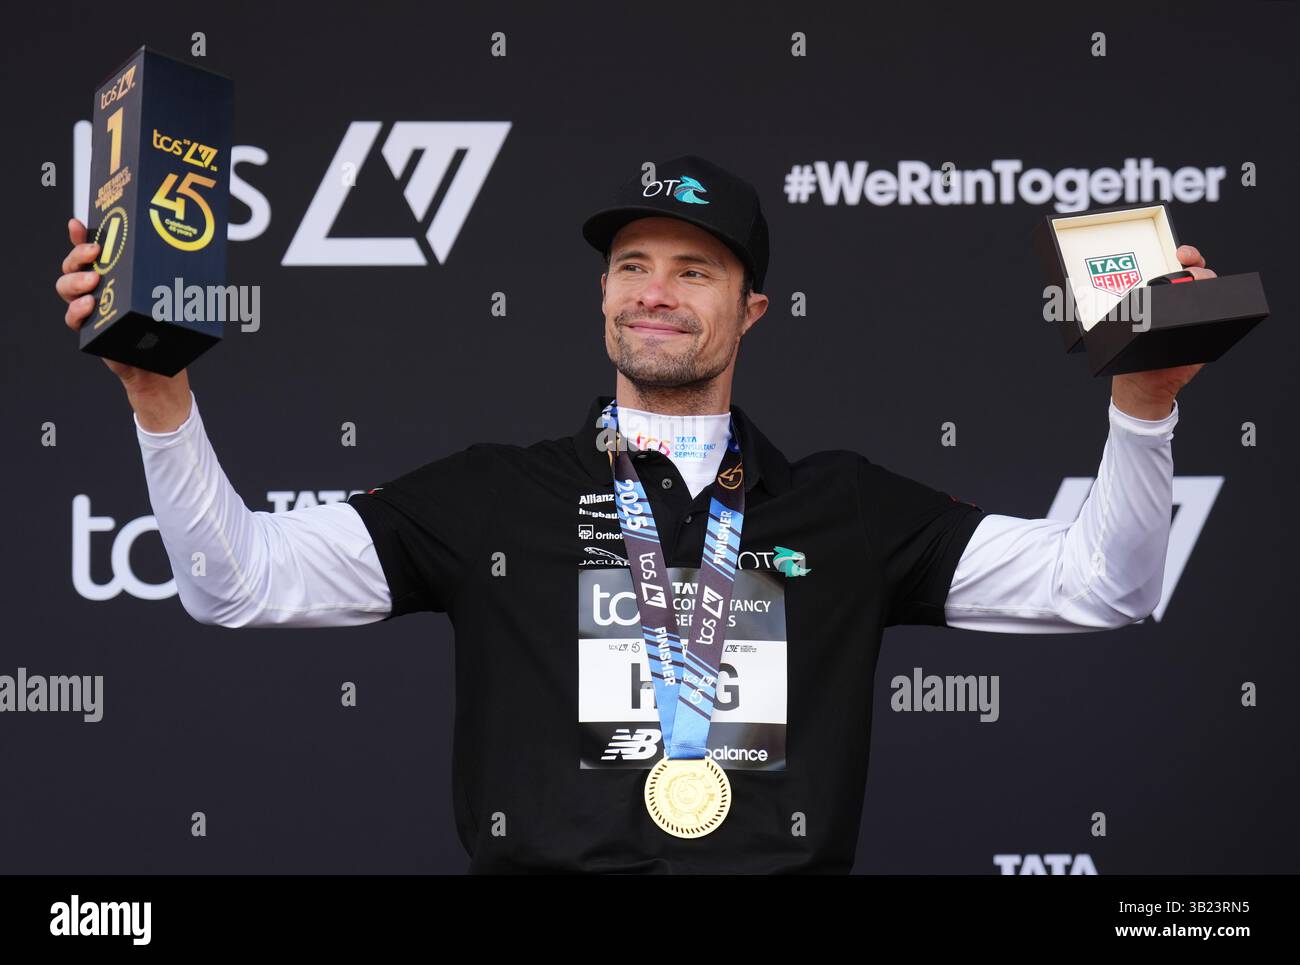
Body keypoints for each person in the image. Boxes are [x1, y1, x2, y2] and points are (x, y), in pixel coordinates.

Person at [55, 155, 1214, 873]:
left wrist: (1143, 402)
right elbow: (234, 581)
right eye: (632, 263)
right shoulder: (485, 493)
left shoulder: (847, 506)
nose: (655, 288)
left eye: (694, 269)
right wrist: (158, 390)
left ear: (752, 309)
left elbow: (1101, 586)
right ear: (603, 292)